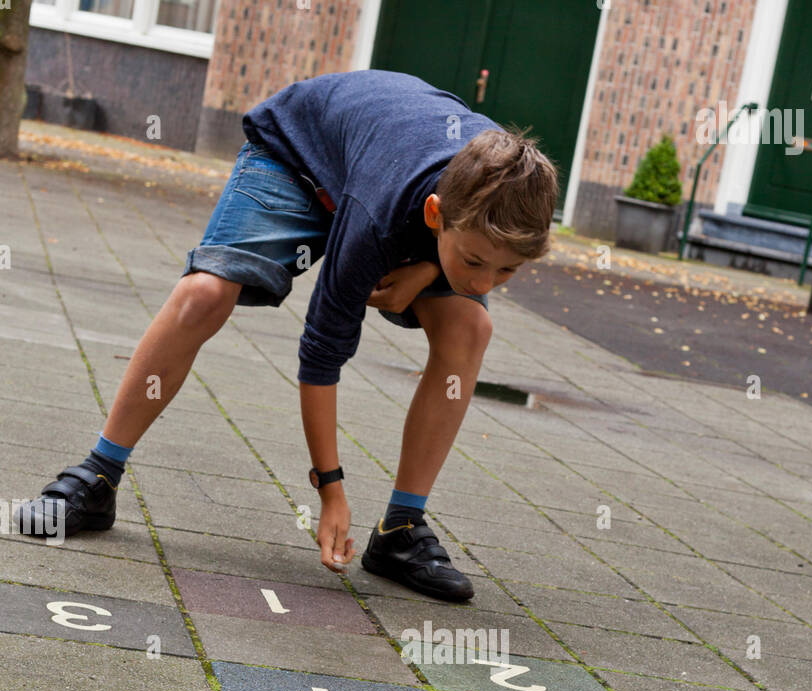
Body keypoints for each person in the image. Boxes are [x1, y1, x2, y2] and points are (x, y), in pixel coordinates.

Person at [16, 70, 558, 602]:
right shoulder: (380, 213)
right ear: (437, 216)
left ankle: (401, 531)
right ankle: (97, 477)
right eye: (475, 263)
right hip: (299, 161)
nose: (485, 282)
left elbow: (462, 248)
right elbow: (321, 354)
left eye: (506, 272)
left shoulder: (506, 190)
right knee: (205, 293)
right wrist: (331, 489)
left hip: (388, 183)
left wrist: (436, 268)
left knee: (472, 324)